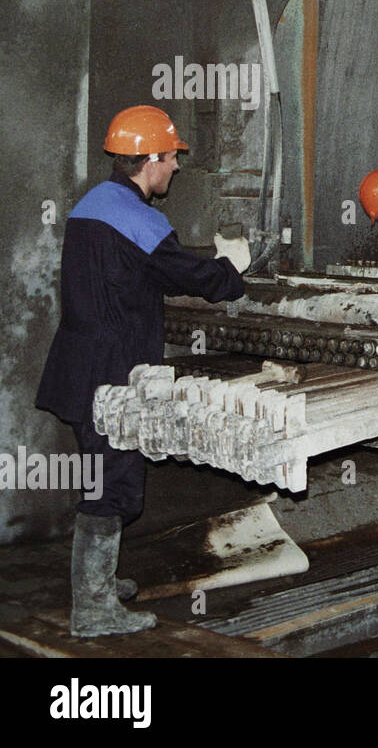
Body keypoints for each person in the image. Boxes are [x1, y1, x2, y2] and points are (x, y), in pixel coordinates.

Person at [36, 105, 247, 637]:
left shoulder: (93, 205)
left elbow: (141, 269)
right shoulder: (138, 219)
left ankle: (99, 584)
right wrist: (233, 268)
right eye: (172, 157)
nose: (175, 167)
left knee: (103, 476)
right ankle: (92, 610)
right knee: (114, 487)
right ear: (150, 159)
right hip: (113, 373)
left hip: (82, 363)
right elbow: (183, 273)